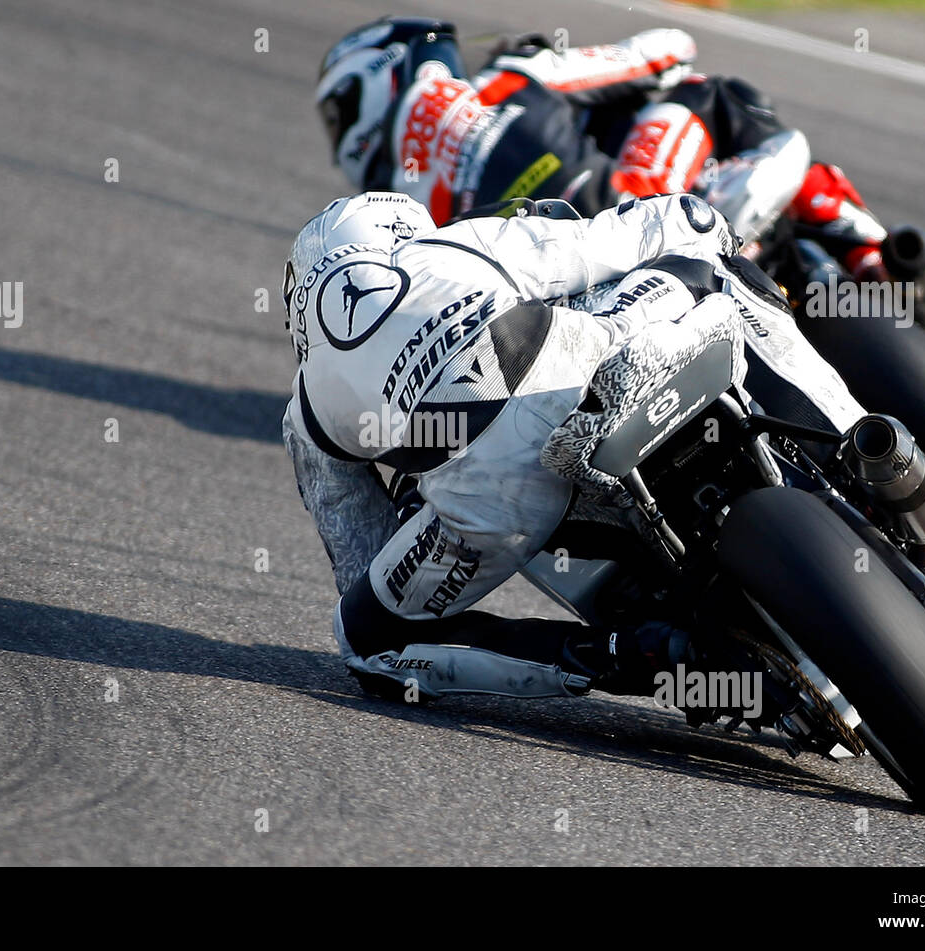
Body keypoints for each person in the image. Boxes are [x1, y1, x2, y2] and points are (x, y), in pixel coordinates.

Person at [281, 189, 879, 702]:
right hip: (580, 364)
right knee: (711, 270)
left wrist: (427, 522)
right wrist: (703, 228)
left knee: (369, 643)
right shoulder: (451, 244)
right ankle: (867, 457)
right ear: (397, 228)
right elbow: (638, 232)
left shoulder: (307, 409)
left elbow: (361, 554)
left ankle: (632, 651)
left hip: (499, 495)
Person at [314, 16, 925, 331]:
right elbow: (661, 52)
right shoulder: (504, 81)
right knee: (714, 94)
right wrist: (550, 60)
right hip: (630, 213)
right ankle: (878, 260)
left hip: (559, 312)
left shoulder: (390, 225)